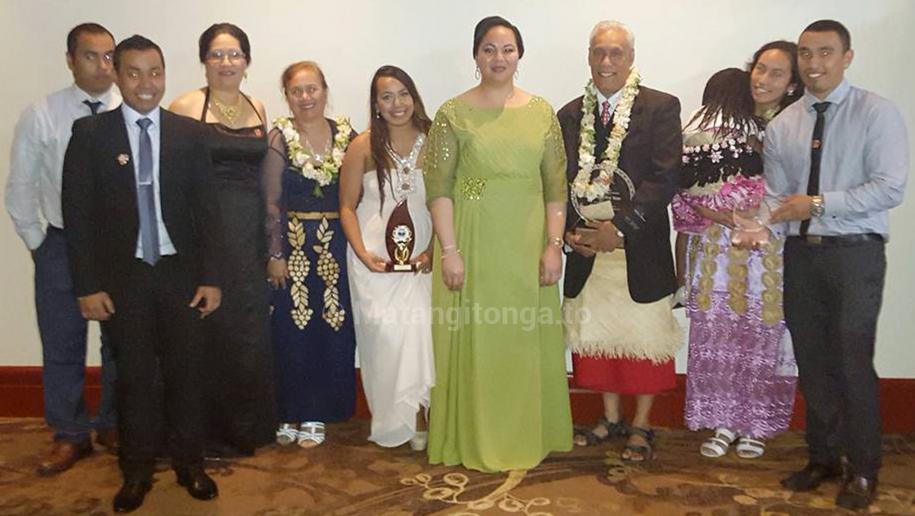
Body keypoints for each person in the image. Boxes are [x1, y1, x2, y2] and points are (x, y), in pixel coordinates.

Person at [61, 35, 223, 513]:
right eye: (133, 73)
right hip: (124, 279)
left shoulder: (189, 134)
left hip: (180, 275)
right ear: (116, 75)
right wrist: (88, 286)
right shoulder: (91, 134)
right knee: (132, 380)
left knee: (187, 374)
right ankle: (135, 473)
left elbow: (207, 212)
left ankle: (190, 465)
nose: (146, 83)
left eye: (155, 72)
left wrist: (211, 277)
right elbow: (78, 216)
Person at [761, 20, 908, 511]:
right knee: (812, 361)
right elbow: (778, 198)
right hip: (802, 255)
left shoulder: (877, 113)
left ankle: (863, 469)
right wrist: (759, 226)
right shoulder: (784, 124)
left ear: (847, 57)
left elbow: (890, 187)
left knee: (852, 362)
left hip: (855, 255)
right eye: (805, 53)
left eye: (825, 52)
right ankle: (822, 457)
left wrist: (819, 204)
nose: (813, 62)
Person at [424, 16, 572, 472]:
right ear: (475, 55)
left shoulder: (542, 112)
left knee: (522, 338)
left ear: (519, 54)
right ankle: (475, 436)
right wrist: (450, 250)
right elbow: (438, 188)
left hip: (527, 242)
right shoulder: (452, 113)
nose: (498, 58)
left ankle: (528, 434)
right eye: (488, 49)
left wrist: (553, 245)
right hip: (472, 240)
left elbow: (556, 187)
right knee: (479, 340)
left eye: (507, 49)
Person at [558, 20, 682, 463]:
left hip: (639, 247)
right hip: (590, 250)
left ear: (631, 58)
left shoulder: (661, 107)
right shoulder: (569, 115)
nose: (606, 61)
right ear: (589, 57)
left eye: (616, 53)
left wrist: (621, 229)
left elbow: (665, 177)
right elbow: (561, 180)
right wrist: (570, 233)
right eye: (598, 52)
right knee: (597, 338)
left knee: (644, 341)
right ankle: (610, 418)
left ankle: (642, 424)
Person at [5, 22, 120, 476]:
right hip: (61, 243)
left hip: (117, 246)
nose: (103, 66)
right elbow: (21, 187)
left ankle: (113, 423)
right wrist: (41, 245)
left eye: (109, 56)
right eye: (91, 56)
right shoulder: (43, 114)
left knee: (120, 343)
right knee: (62, 343)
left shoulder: (131, 109)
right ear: (71, 60)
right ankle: (70, 433)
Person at [673, 65, 798, 460]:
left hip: (765, 254)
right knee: (720, 335)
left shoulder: (780, 132)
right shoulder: (701, 138)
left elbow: (795, 192)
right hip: (718, 254)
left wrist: (754, 211)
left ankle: (756, 424)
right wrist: (715, 209)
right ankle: (722, 421)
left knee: (761, 336)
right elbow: (686, 205)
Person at [169, 22, 275, 457]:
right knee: (211, 329)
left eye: (234, 54)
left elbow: (266, 177)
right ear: (204, 61)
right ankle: (207, 432)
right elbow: (174, 179)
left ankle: (247, 428)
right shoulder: (186, 105)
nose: (226, 62)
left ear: (247, 61)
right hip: (206, 232)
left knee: (248, 329)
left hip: (250, 233)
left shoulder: (258, 106)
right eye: (216, 54)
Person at [339, 65, 435, 450]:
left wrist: (435, 250)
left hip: (422, 257)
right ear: (376, 104)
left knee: (420, 333)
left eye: (403, 94)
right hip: (374, 259)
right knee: (387, 340)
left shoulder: (436, 140)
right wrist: (362, 253)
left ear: (414, 96)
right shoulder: (363, 146)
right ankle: (396, 418)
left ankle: (421, 415)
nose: (397, 103)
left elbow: (454, 198)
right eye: (387, 96)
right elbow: (346, 207)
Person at [263, 61, 357, 448]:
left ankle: (319, 410)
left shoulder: (347, 136)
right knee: (291, 330)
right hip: (294, 245)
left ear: (325, 90)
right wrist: (275, 253)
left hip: (337, 247)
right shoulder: (279, 137)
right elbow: (271, 202)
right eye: (296, 91)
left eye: (312, 89)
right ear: (286, 96)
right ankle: (289, 410)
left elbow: (360, 194)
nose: (305, 97)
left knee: (333, 328)